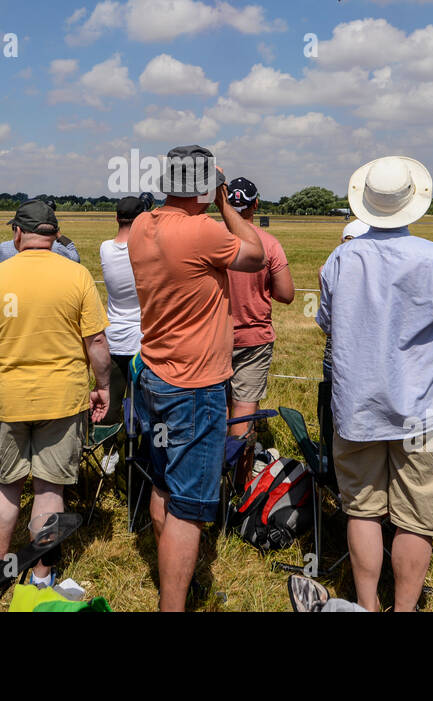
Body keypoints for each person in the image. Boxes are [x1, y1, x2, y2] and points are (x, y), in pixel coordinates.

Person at [316, 155, 433, 612]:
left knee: (362, 510)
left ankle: (367, 605)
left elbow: (326, 322)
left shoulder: (340, 258)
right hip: (423, 410)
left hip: (357, 407)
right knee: (419, 518)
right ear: (414, 203)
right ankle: (404, 609)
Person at [129, 144, 265, 611]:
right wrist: (227, 202)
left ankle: (173, 580)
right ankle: (174, 603)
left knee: (164, 484)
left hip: (154, 372)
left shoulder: (143, 226)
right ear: (205, 187)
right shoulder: (202, 231)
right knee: (189, 507)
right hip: (195, 386)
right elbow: (256, 254)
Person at [0, 200, 111, 587]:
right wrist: (104, 386)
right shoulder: (77, 276)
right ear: (56, 234)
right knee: (49, 488)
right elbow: (96, 341)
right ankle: (42, 575)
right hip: (63, 398)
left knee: (7, 483)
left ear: (17, 233)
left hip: (7, 398)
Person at [225, 177, 294, 439]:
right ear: (255, 205)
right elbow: (286, 295)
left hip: (212, 337)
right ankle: (240, 476)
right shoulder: (269, 243)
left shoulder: (211, 238)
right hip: (253, 338)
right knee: (244, 415)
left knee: (216, 411)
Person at [316, 218, 370, 493]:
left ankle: (337, 472)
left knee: (334, 412)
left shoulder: (329, 268)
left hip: (335, 352)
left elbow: (326, 323)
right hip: (365, 356)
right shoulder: (374, 271)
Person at [99, 195, 151, 424]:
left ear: (116, 217)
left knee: (110, 399)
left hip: (114, 336)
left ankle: (107, 450)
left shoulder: (105, 249)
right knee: (140, 404)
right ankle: (137, 453)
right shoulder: (147, 251)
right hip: (141, 337)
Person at [0, 203, 79, 262]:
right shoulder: (57, 248)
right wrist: (60, 236)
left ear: (18, 231)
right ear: (53, 231)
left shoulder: (3, 249)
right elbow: (75, 258)